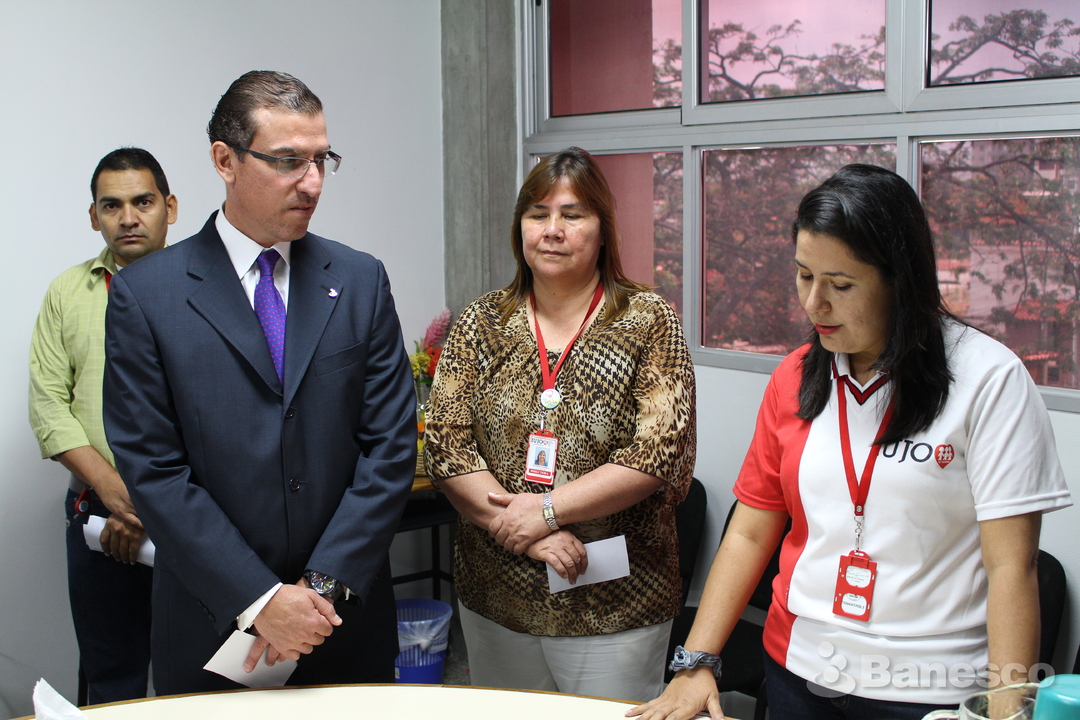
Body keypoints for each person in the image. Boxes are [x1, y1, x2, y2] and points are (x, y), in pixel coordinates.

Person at [629, 164, 1073, 720]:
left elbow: (1013, 566)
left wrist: (1007, 709)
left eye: (840, 285)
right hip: (799, 671)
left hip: (929, 688)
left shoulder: (989, 380)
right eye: (803, 276)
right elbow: (750, 528)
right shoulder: (794, 376)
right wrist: (697, 661)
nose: (814, 304)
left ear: (900, 281)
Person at [101, 71, 417, 694]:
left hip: (342, 626)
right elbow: (155, 471)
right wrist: (262, 598)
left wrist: (318, 592)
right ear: (225, 160)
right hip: (213, 630)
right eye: (289, 161)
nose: (313, 183)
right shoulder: (148, 295)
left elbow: (389, 447)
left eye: (323, 160)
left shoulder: (358, 280)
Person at [425, 147, 696, 701]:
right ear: (519, 226)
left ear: (601, 229)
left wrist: (547, 511)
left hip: (616, 596)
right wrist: (528, 536)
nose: (552, 230)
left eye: (572, 215)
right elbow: (447, 447)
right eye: (538, 214)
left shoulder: (646, 320)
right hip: (498, 590)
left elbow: (660, 451)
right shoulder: (482, 321)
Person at [29, 147, 177, 703]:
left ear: (170, 206)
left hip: (193, 514)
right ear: (94, 216)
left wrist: (146, 506)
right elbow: (48, 408)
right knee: (112, 679)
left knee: (197, 679)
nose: (128, 217)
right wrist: (118, 499)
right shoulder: (67, 293)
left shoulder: (210, 289)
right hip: (96, 513)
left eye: (143, 201)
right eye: (111, 205)